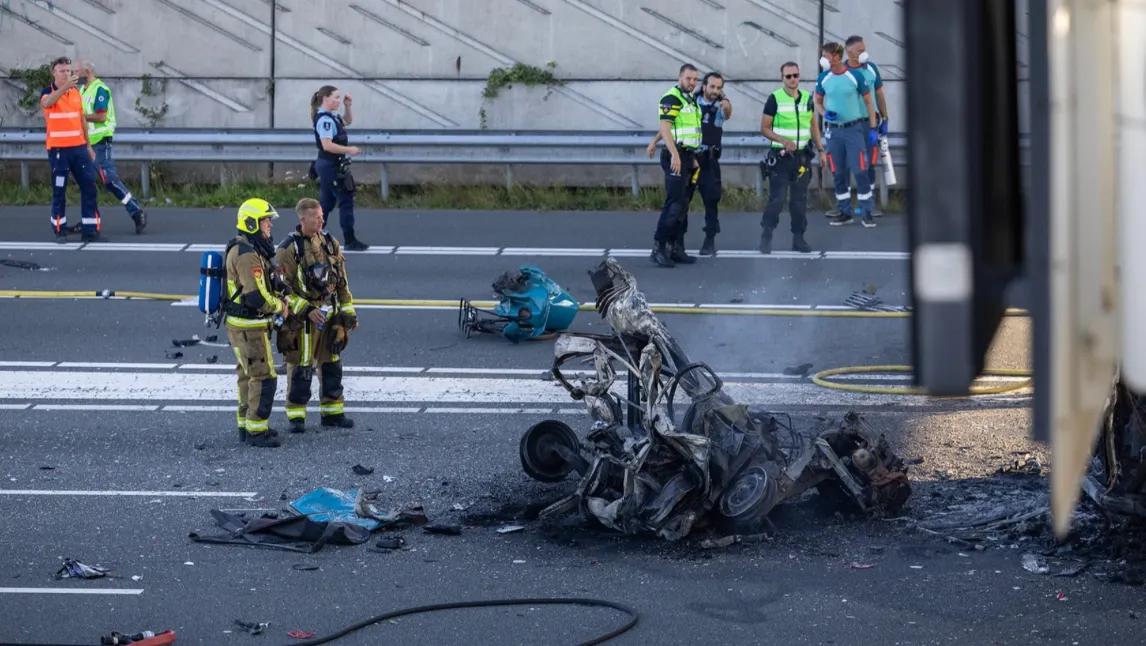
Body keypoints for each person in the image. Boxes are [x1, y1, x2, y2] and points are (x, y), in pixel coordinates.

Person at [274, 197, 359, 433]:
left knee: (332, 364)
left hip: (329, 316)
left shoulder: (330, 243)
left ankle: (332, 412)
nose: (321, 221)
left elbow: (342, 282)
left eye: (322, 217)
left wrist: (348, 314)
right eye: (316, 218)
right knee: (300, 367)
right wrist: (307, 309)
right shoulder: (287, 250)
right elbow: (281, 289)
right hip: (303, 321)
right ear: (303, 219)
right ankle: (296, 417)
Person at [222, 198, 289, 448]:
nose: (270, 225)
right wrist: (279, 306)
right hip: (249, 328)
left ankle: (245, 425)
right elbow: (255, 296)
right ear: (251, 223)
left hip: (242, 326)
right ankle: (256, 431)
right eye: (265, 221)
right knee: (264, 377)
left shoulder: (247, 248)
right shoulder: (247, 255)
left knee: (247, 376)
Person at [76, 59, 147, 234]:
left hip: (100, 142)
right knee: (86, 182)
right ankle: (89, 221)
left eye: (77, 71)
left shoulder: (100, 89)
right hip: (85, 143)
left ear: (87, 71)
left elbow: (101, 117)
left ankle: (136, 211)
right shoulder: (82, 90)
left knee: (109, 180)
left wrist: (80, 117)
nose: (75, 75)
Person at [759, 62, 822, 254]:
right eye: (788, 76)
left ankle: (799, 238)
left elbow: (813, 126)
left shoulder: (807, 98)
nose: (793, 79)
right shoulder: (774, 99)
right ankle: (767, 235)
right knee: (777, 199)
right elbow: (764, 128)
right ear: (782, 78)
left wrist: (821, 150)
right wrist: (783, 140)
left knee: (799, 200)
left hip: (802, 158)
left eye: (795, 75)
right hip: (781, 158)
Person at [815, 41, 879, 228]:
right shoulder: (823, 78)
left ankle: (867, 212)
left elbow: (869, 102)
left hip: (854, 130)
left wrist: (873, 127)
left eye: (826, 56)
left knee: (860, 170)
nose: (822, 59)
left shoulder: (855, 76)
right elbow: (817, 102)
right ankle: (845, 212)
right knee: (838, 172)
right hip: (833, 131)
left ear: (836, 56)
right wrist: (825, 113)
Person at [39, 56, 102, 243]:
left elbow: (81, 119)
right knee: (59, 191)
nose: (66, 74)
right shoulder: (48, 92)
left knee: (89, 186)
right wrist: (64, 87)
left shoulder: (75, 92)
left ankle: (90, 230)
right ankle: (60, 230)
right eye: (62, 71)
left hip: (79, 148)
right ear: (54, 72)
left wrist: (88, 145)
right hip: (59, 150)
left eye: (68, 71)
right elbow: (47, 103)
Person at [650, 64, 702, 268]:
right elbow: (665, 128)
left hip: (687, 155)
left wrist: (692, 156)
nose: (692, 82)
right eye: (688, 78)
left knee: (683, 204)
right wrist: (675, 154)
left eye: (695, 79)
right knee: (674, 203)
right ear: (679, 78)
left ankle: (676, 248)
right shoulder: (671, 98)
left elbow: (676, 127)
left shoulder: (690, 99)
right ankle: (659, 248)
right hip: (676, 156)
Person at [310, 85, 368, 251]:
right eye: (336, 97)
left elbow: (347, 121)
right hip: (331, 166)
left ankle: (311, 238)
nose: (338, 101)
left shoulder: (332, 117)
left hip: (330, 165)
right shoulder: (325, 121)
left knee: (326, 203)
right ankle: (349, 240)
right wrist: (349, 150)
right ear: (325, 99)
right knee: (345, 201)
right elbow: (327, 145)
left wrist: (348, 106)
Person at [845, 35, 889, 216]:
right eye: (861, 51)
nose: (865, 54)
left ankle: (868, 205)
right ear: (850, 52)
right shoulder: (840, 72)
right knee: (845, 164)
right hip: (848, 125)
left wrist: (885, 118)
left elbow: (879, 95)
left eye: (865, 49)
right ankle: (844, 206)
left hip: (869, 124)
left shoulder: (871, 68)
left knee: (869, 164)